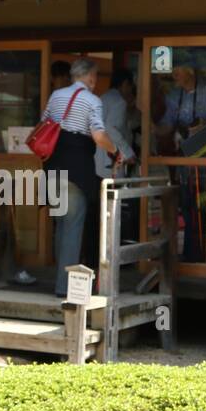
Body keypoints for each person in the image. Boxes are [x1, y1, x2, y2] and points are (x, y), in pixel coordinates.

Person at [41, 57, 120, 296]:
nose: (95, 81)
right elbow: (97, 135)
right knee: (73, 226)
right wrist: (115, 151)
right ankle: (64, 288)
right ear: (90, 77)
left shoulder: (56, 96)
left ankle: (59, 281)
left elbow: (44, 123)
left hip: (53, 166)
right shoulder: (92, 100)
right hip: (77, 168)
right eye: (94, 76)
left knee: (61, 224)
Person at [155, 65, 206, 262]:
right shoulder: (174, 96)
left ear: (191, 70)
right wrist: (153, 129)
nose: (174, 75)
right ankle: (191, 256)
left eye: (177, 69)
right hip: (185, 163)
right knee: (188, 207)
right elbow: (166, 124)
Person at [90, 70, 138, 262]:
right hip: (108, 162)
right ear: (124, 83)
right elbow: (111, 129)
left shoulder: (103, 98)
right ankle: (109, 257)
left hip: (96, 160)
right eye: (130, 85)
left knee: (97, 213)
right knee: (110, 213)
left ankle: (95, 257)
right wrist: (128, 152)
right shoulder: (118, 102)